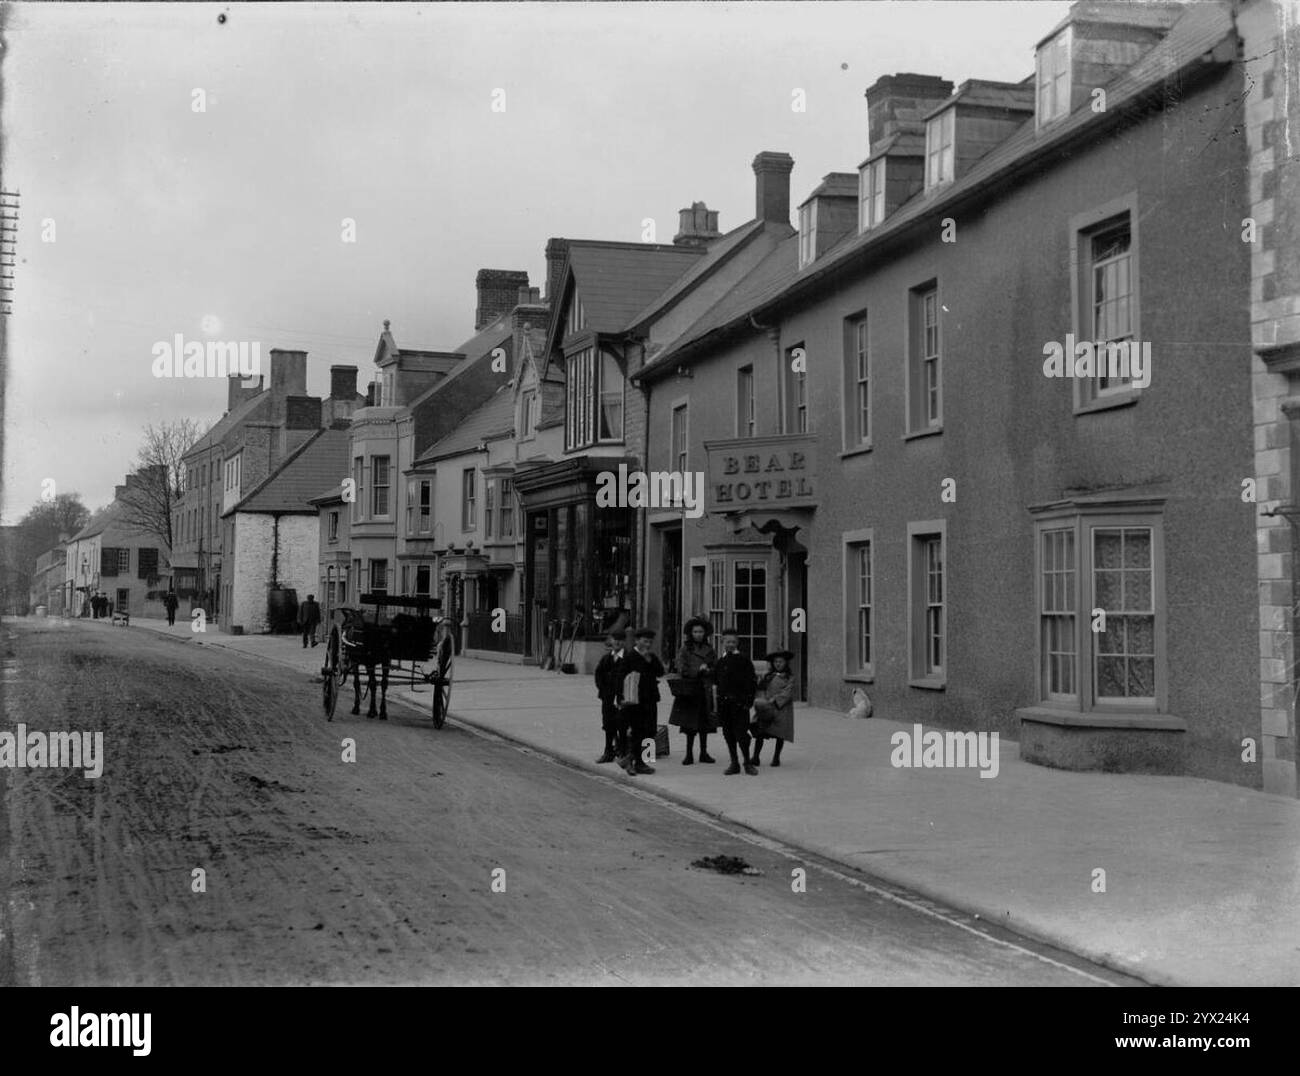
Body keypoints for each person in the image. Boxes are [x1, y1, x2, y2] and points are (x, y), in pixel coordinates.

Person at [668, 616, 718, 765]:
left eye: (701, 631)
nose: (698, 634)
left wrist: (708, 670)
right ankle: (689, 754)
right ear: (691, 633)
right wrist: (697, 670)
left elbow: (716, 667)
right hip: (690, 690)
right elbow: (681, 667)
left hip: (704, 689)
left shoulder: (709, 650)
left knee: (704, 724)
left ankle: (704, 752)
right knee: (689, 725)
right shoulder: (685, 649)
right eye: (695, 631)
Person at [619, 627, 664, 776]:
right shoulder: (630, 656)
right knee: (637, 730)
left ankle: (632, 759)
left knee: (650, 730)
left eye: (650, 642)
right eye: (645, 641)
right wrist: (620, 698)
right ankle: (635, 762)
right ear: (637, 641)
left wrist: (649, 660)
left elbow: (660, 672)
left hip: (650, 698)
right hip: (634, 700)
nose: (648, 644)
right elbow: (621, 678)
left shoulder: (651, 656)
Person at [714, 628, 757, 776]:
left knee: (741, 734)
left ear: (737, 642)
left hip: (740, 704)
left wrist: (748, 701)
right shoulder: (720, 662)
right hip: (725, 705)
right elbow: (716, 681)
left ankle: (747, 762)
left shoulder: (744, 660)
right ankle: (734, 763)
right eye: (727, 642)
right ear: (722, 643)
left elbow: (752, 682)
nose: (730, 644)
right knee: (728, 734)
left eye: (733, 641)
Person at [752, 649, 795, 768]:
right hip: (766, 708)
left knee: (779, 734)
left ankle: (776, 757)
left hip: (781, 708)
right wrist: (761, 701)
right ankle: (756, 757)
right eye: (776, 662)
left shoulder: (789, 678)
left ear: (785, 663)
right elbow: (761, 690)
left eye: (781, 661)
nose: (778, 664)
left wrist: (775, 700)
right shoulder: (767, 676)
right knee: (760, 732)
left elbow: (788, 692)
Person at [593, 631, 627, 763]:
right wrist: (603, 689)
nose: (617, 643)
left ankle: (623, 751)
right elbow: (598, 674)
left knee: (622, 724)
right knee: (608, 723)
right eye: (615, 640)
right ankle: (608, 751)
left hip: (623, 698)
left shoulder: (628, 658)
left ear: (624, 642)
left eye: (620, 640)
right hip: (608, 697)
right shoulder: (606, 658)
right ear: (611, 641)